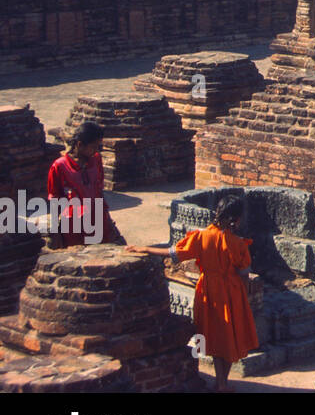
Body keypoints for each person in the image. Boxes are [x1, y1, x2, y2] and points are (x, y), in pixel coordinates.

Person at [128, 196, 258, 391]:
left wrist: (145, 248)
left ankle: (220, 381)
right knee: (230, 336)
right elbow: (244, 274)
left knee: (214, 335)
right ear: (237, 219)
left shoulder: (201, 237)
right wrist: (244, 297)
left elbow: (174, 253)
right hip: (232, 292)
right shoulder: (238, 244)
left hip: (208, 289)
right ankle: (223, 383)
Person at [46, 122, 122, 247]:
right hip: (74, 226)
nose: (96, 151)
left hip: (98, 221)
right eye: (93, 147)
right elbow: (54, 200)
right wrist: (55, 233)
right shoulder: (59, 166)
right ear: (80, 145)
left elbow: (99, 191)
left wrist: (109, 221)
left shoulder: (96, 159)